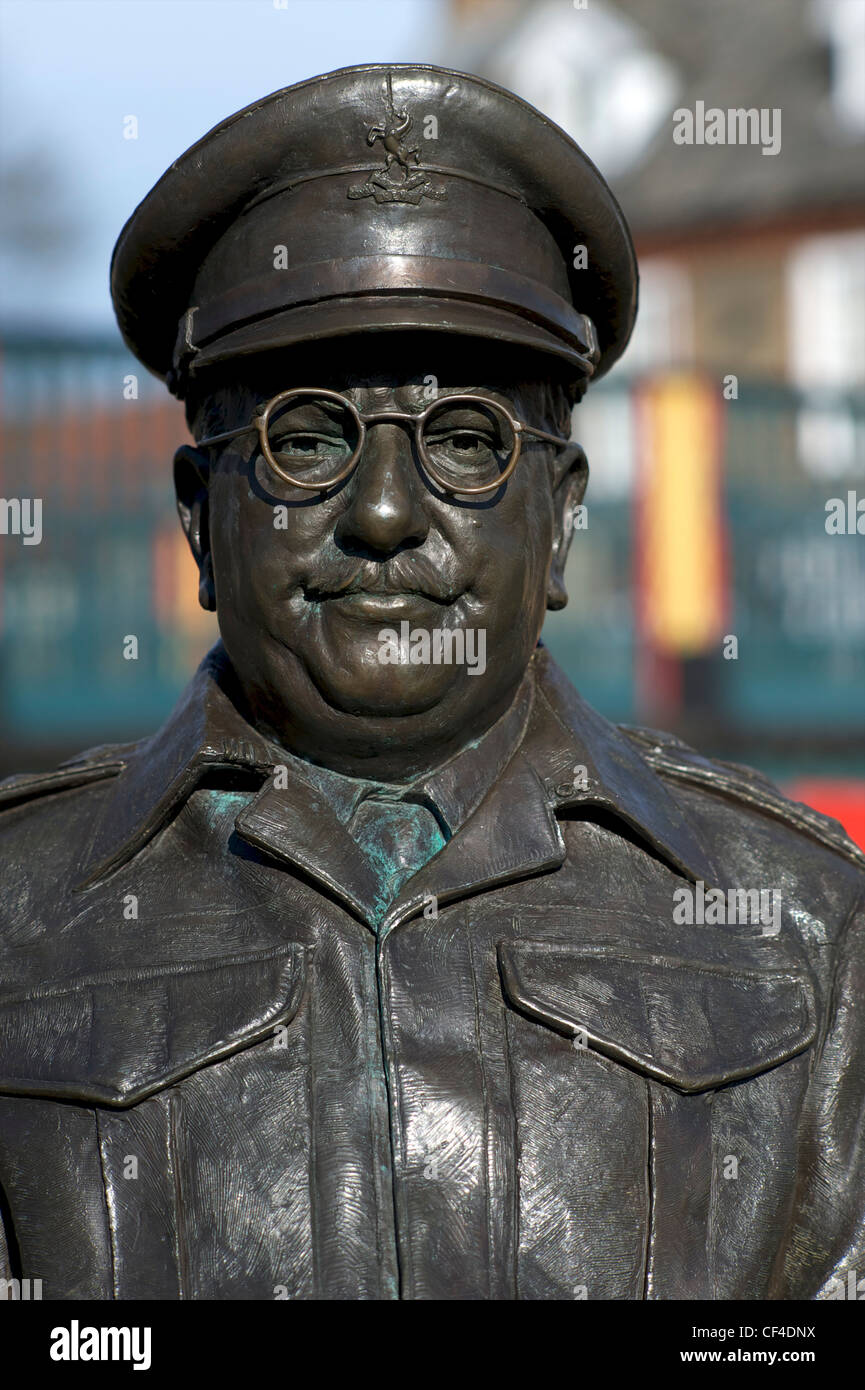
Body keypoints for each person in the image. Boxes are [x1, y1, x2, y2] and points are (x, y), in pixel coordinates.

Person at [0, 65, 862, 1301]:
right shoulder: (17, 922)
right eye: (305, 439)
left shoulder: (807, 929)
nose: (388, 515)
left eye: (466, 440)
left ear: (559, 521)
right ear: (198, 519)